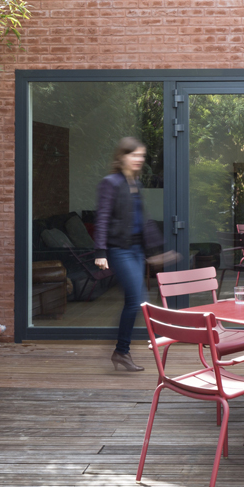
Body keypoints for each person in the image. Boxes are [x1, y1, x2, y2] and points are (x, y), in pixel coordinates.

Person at [94, 137, 150, 372]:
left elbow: (142, 220)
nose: (139, 159)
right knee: (136, 300)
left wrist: (158, 249)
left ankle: (121, 352)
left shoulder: (133, 182)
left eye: (141, 156)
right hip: (120, 249)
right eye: (134, 155)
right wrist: (100, 251)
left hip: (136, 249)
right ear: (122, 157)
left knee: (138, 301)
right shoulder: (112, 182)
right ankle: (121, 350)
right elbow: (103, 217)